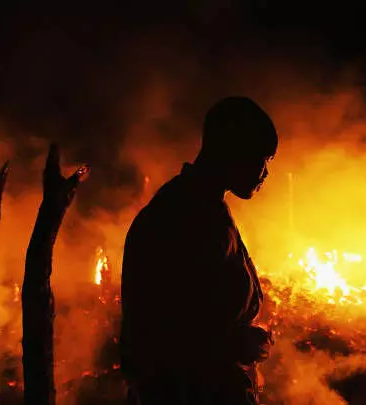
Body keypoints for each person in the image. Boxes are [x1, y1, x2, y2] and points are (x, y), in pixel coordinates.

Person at [121, 96, 278, 404]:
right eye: (264, 158)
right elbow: (169, 331)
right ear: (236, 151)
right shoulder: (184, 215)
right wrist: (239, 345)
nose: (265, 172)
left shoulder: (207, 207)